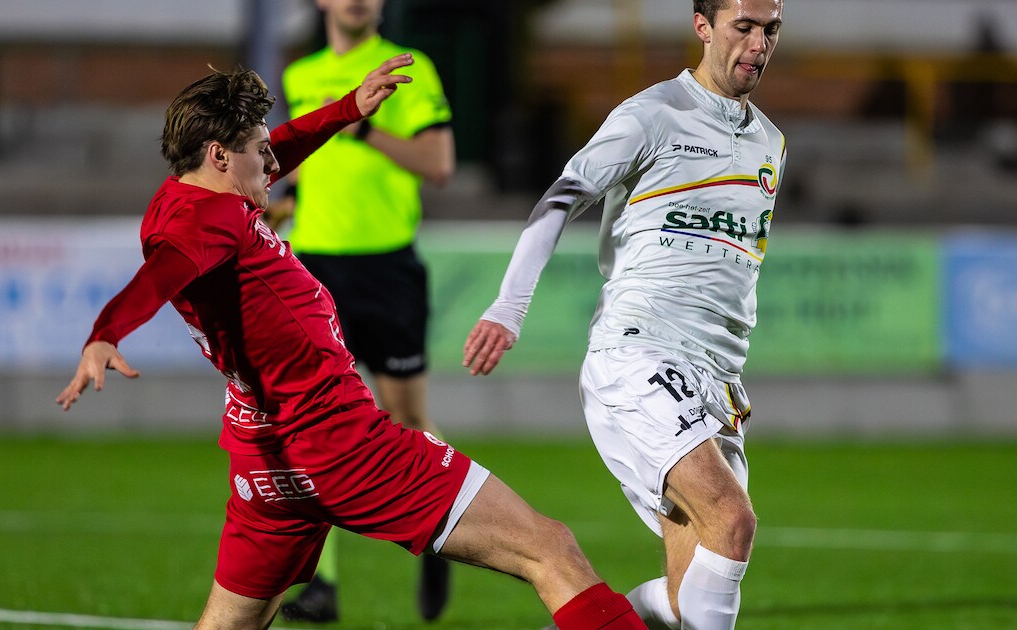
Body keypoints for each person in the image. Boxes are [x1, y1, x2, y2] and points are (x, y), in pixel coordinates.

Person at [56, 56, 647, 630]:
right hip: (339, 443)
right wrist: (106, 331)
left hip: (266, 461)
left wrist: (346, 110)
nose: (273, 163)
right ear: (217, 155)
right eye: (259, 152)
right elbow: (161, 275)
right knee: (548, 548)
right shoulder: (207, 221)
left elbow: (267, 159)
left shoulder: (191, 197)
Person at [464, 1, 785, 628]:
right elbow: (561, 198)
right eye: (742, 26)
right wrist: (509, 306)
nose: (757, 43)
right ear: (703, 26)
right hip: (640, 353)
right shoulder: (653, 114)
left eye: (770, 28)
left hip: (716, 379)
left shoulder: (769, 140)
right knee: (733, 518)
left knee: (687, 598)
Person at [265, 0, 457, 622]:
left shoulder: (410, 67)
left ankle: (443, 531)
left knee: (407, 424)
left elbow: (439, 164)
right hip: (313, 267)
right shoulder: (297, 76)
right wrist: (281, 203)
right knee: (308, 423)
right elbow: (295, 168)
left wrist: (364, 127)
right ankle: (321, 583)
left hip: (386, 268)